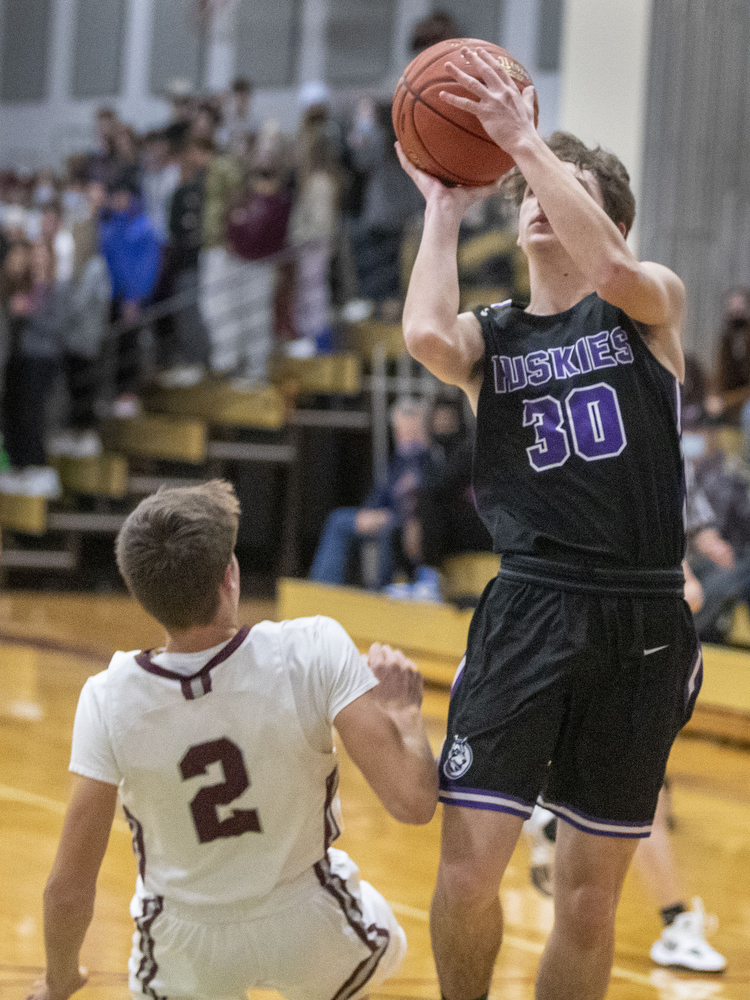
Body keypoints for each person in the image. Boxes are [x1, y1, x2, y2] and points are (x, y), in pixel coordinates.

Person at [398, 47, 699, 1000]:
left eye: (556, 186)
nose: (531, 197)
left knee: (587, 901)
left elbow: (609, 261)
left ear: (596, 208)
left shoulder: (647, 305)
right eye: (524, 187)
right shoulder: (495, 335)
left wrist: (525, 141)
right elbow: (423, 337)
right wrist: (444, 208)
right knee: (468, 867)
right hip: (530, 606)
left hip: (640, 620)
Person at [28, 480, 437, 1000]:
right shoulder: (311, 647)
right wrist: (404, 716)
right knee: (383, 942)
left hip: (182, 938)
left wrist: (61, 978)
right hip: (307, 918)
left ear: (142, 592)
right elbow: (414, 803)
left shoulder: (106, 697)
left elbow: (68, 886)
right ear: (231, 575)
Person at [310, 397, 432, 590]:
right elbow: (379, 495)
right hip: (388, 518)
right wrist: (370, 512)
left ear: (424, 428)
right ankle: (322, 589)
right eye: (401, 429)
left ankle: (378, 594)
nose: (406, 434)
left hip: (412, 523)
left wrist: (393, 517)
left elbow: (423, 502)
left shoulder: (430, 460)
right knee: (339, 519)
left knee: (386, 532)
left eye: (412, 428)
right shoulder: (398, 461)